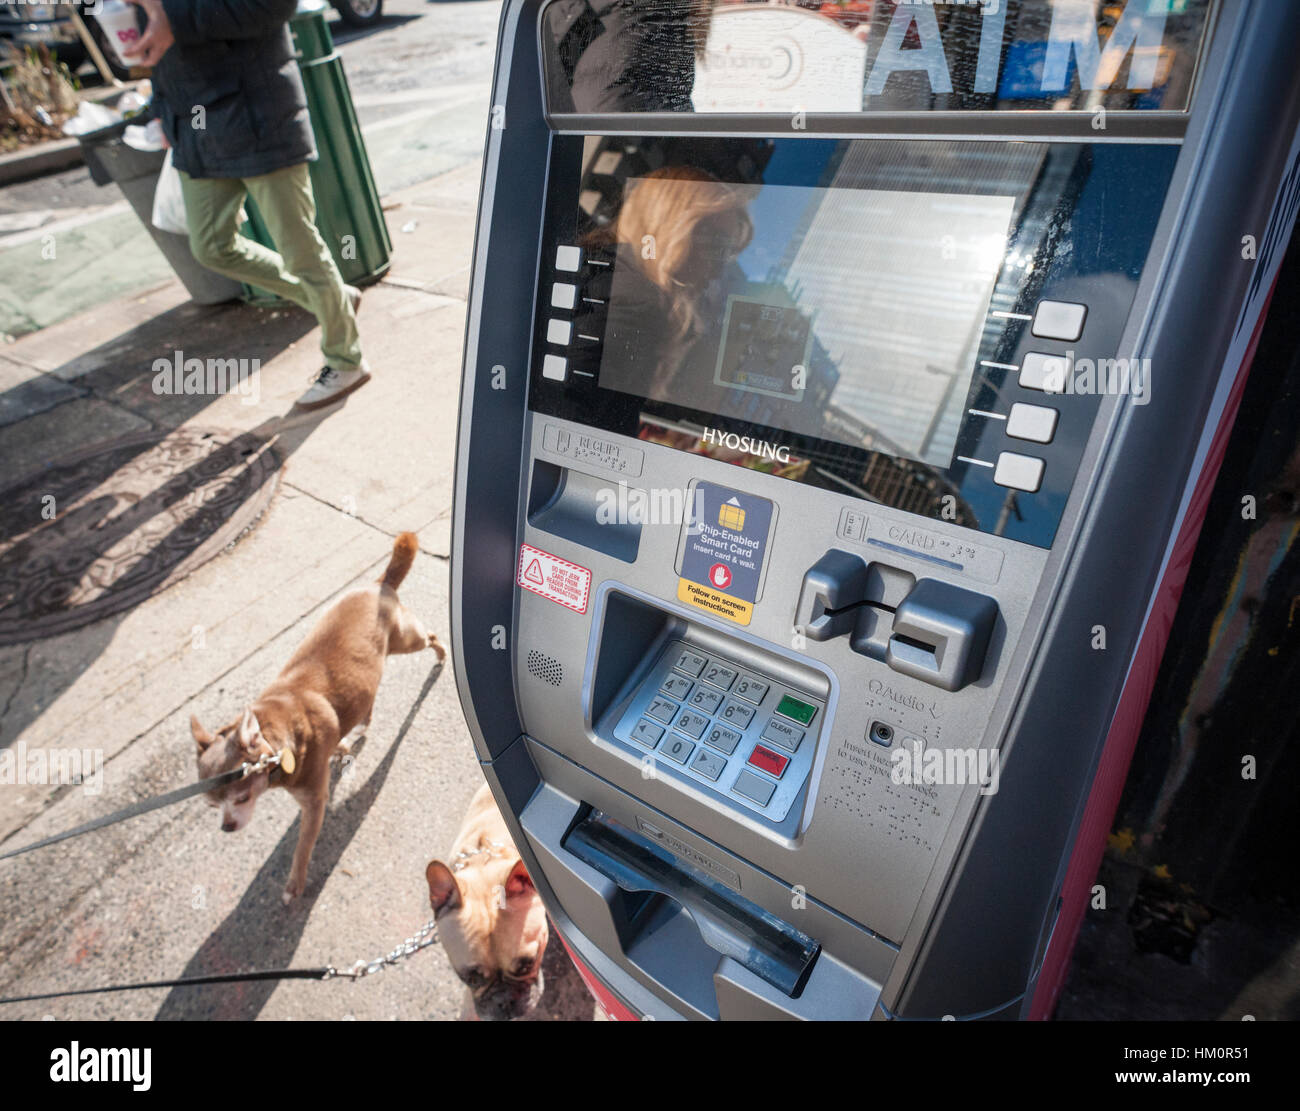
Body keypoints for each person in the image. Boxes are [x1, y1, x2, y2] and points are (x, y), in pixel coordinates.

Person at [124, 0, 370, 411]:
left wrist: (173, 17)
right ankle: (333, 301)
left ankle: (346, 359)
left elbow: (272, 6)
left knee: (300, 250)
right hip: (196, 126)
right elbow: (158, 52)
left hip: (260, 111)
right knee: (211, 246)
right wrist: (163, 114)